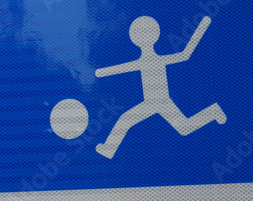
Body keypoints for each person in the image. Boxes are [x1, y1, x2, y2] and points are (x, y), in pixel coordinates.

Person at [95, 15, 225, 158]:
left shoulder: (157, 60)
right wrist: (103, 72)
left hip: (161, 102)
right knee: (128, 119)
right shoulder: (147, 61)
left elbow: (184, 55)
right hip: (152, 103)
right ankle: (213, 112)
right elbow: (124, 68)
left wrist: (201, 29)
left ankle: (213, 112)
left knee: (181, 127)